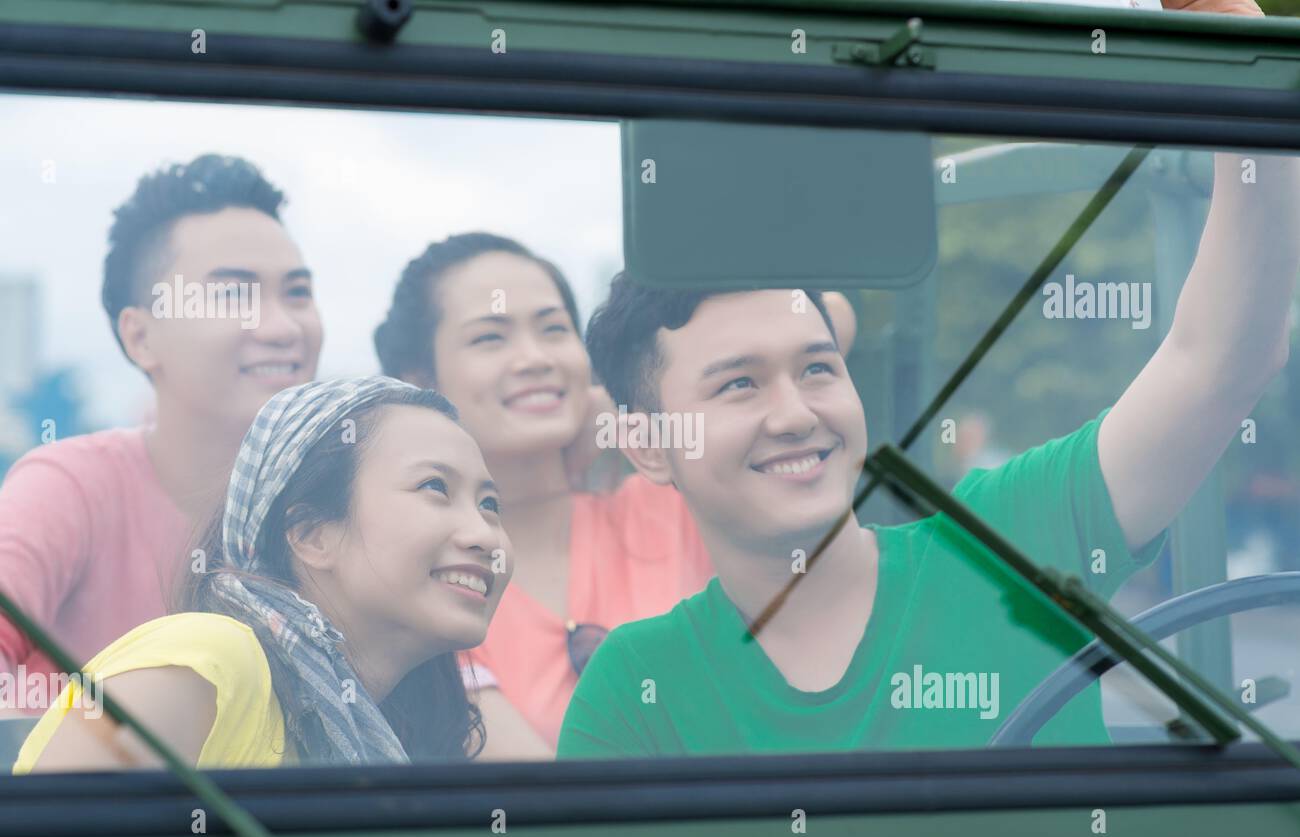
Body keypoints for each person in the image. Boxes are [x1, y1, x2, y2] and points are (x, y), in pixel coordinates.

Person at [558, 136, 1300, 757]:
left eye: (817, 367)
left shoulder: (1006, 543)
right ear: (649, 446)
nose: (796, 414)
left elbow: (1218, 362)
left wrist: (1249, 93)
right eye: (738, 386)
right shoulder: (632, 691)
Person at [376, 235, 860, 759]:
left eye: (554, 329)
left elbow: (825, 317)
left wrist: (628, 405)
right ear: (419, 379)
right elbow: (552, 797)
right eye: (491, 338)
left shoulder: (669, 499)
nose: (535, 358)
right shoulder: (435, 586)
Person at [14, 376, 509, 771]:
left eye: (490, 504)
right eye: (435, 487)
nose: (485, 536)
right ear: (310, 533)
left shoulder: (399, 730)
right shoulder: (205, 661)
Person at [0, 155, 322, 701]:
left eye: (296, 292)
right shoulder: (70, 486)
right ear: (140, 338)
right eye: (233, 295)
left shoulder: (343, 503)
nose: (283, 326)